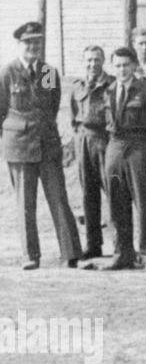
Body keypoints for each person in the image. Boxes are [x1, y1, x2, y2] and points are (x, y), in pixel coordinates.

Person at [2, 22, 83, 269]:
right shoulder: (8, 72)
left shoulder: (48, 72)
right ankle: (30, 256)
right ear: (19, 44)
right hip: (20, 146)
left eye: (37, 42)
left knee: (58, 197)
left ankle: (70, 253)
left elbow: (50, 105)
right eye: (28, 43)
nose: (33, 47)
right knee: (25, 203)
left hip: (47, 144)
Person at [90, 47, 146, 272]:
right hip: (114, 149)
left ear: (134, 66)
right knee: (116, 203)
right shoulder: (109, 90)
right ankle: (122, 253)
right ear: (112, 67)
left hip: (139, 148)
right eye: (118, 65)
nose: (122, 70)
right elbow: (106, 125)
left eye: (126, 65)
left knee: (143, 203)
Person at [70, 46, 113, 261]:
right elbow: (73, 115)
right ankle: (93, 244)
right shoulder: (78, 86)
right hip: (83, 140)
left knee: (114, 193)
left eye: (96, 60)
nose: (92, 64)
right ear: (83, 61)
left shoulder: (112, 84)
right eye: (88, 60)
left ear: (103, 60)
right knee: (89, 194)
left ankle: (120, 245)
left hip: (105, 139)